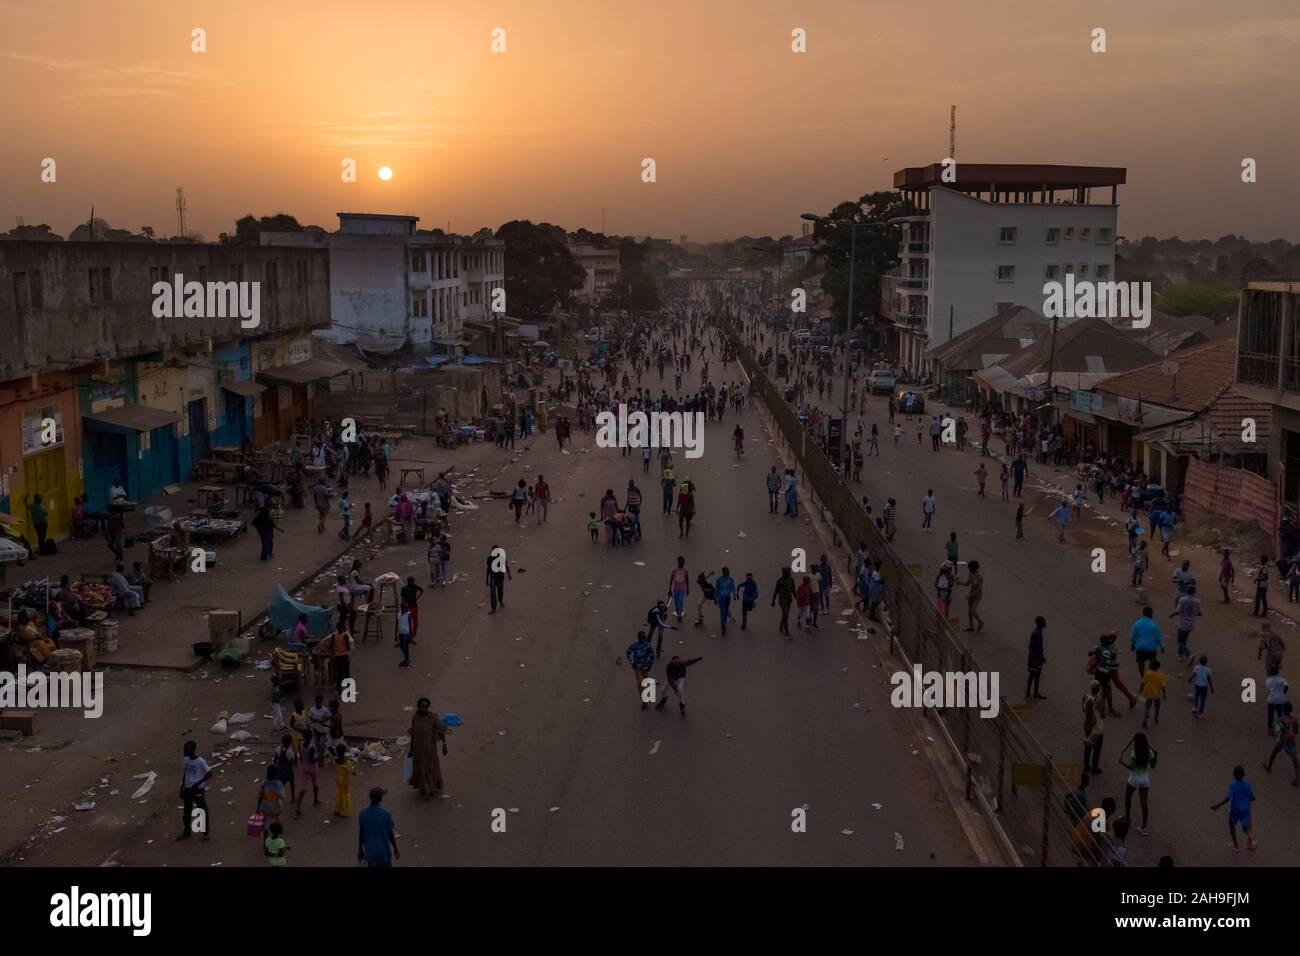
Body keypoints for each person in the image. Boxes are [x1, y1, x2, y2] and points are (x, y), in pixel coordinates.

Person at [408, 698, 449, 799]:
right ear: (419, 707)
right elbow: (413, 735)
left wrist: (444, 744)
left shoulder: (432, 718)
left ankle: (429, 789)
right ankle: (425, 790)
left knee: (429, 768)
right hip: (418, 750)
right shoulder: (415, 718)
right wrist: (411, 750)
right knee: (421, 770)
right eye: (422, 706)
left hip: (430, 750)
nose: (424, 709)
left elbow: (441, 730)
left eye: (426, 707)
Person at [1209, 766, 1256, 851]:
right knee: (1245, 826)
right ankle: (1252, 840)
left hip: (1236, 809)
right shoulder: (1247, 784)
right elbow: (1252, 798)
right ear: (1243, 775)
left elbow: (1228, 797)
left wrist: (1217, 806)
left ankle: (1236, 845)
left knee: (1231, 824)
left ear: (1234, 775)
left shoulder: (1233, 785)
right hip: (1246, 809)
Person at [1120, 732, 1157, 834]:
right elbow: (1153, 766)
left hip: (1134, 778)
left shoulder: (1134, 751)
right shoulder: (1149, 752)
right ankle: (1144, 827)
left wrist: (1121, 762)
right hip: (1145, 779)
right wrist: (1156, 756)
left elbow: (1132, 767)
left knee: (1128, 798)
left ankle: (1127, 820)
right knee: (1144, 803)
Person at [177, 740, 212, 841]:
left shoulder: (200, 761)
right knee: (187, 812)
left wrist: (197, 784)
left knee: (202, 810)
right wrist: (182, 787)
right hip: (188, 789)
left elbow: (209, 774)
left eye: (186, 749)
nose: (184, 751)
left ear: (192, 750)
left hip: (197, 790)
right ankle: (187, 832)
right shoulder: (186, 760)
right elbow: (186, 773)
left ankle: (205, 833)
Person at [358, 787, 400, 867]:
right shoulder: (386, 814)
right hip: (384, 852)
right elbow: (390, 834)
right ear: (381, 799)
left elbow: (361, 834)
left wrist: (360, 850)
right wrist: (395, 848)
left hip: (370, 852)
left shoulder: (362, 814)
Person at [1263, 701, 1300, 786]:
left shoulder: (1281, 719)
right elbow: (1296, 731)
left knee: (1274, 752)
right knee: (1295, 760)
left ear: (1283, 710)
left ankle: (1269, 767)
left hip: (1282, 740)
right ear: (1291, 710)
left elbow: (1277, 730)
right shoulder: (1294, 720)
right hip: (1291, 742)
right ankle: (1297, 779)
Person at [626, 631, 656, 710]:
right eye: (641, 637)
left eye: (644, 637)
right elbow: (628, 654)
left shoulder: (648, 646)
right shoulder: (634, 646)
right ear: (638, 638)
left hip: (645, 667)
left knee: (644, 681)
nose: (643, 639)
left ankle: (647, 692)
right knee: (640, 683)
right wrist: (633, 664)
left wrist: (649, 666)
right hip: (637, 667)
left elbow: (652, 656)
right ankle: (644, 701)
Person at [1130, 606, 1163, 676]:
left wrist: (1132, 645)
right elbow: (1158, 638)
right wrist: (1162, 647)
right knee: (1152, 661)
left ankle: (1142, 676)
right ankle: (1150, 674)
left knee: (1141, 662)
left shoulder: (1137, 624)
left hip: (1140, 647)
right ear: (1151, 614)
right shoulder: (1154, 625)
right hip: (1152, 648)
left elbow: (1133, 636)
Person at [1082, 681, 1105, 776]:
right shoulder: (1099, 700)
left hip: (1087, 725)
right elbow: (1103, 714)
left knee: (1088, 747)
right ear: (1098, 689)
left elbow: (1083, 709)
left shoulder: (1085, 697)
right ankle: (1094, 767)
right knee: (1097, 749)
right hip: (1097, 727)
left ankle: (1086, 765)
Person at [294, 734, 320, 816]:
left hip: (304, 766)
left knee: (304, 787)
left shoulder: (301, 744)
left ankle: (298, 806)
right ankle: (315, 800)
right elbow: (312, 760)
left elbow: (301, 757)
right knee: (315, 783)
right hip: (312, 767)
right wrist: (318, 757)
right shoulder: (311, 747)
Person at [256, 766, 286, 831]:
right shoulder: (279, 784)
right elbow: (282, 796)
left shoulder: (264, 783)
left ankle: (265, 839)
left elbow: (260, 796)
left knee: (266, 824)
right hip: (276, 808)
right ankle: (276, 836)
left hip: (266, 808)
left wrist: (258, 808)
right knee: (278, 822)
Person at [1140, 659, 1167, 729]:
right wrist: (1164, 694)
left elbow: (1143, 682)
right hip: (1157, 694)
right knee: (1157, 707)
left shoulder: (1147, 673)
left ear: (1151, 666)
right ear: (1158, 667)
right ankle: (1156, 718)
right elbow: (1163, 686)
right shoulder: (1161, 675)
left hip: (1149, 693)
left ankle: (1145, 719)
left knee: (1147, 707)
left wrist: (1141, 688)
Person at [1026, 616, 1047, 700]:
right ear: (1040, 623)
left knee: (1037, 676)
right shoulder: (1035, 633)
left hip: (1038, 659)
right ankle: (1027, 693)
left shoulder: (1039, 631)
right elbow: (1032, 648)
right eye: (1043, 622)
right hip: (1034, 659)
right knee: (1032, 675)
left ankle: (1035, 692)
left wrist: (1042, 657)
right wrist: (1036, 658)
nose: (1045, 623)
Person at [960, 560, 984, 632]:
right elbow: (967, 584)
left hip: (976, 596)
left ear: (975, 568)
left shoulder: (979, 577)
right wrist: (960, 583)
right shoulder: (970, 574)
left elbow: (979, 589)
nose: (969, 569)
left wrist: (970, 595)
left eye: (971, 568)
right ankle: (971, 627)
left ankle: (980, 622)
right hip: (971, 596)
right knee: (969, 613)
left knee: (973, 611)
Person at [486, 544, 511, 612]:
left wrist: (509, 574)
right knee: (493, 593)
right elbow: (488, 569)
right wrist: (487, 579)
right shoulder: (489, 558)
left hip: (500, 578)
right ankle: (493, 608)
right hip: (493, 578)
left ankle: (500, 600)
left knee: (500, 591)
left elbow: (506, 566)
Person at [772, 567, 796, 638]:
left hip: (789, 599)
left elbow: (793, 590)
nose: (789, 573)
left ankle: (781, 624)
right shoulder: (779, 581)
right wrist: (773, 600)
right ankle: (787, 631)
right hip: (782, 599)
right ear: (784, 573)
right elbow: (776, 591)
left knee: (786, 614)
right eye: (788, 572)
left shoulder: (791, 580)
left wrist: (797, 598)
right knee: (785, 614)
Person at [1265, 665, 1289, 736]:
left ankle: (1271, 729)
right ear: (1278, 672)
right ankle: (1279, 729)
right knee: (1280, 715)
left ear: (1271, 673)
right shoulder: (1281, 680)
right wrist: (1283, 692)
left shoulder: (1268, 680)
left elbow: (1268, 689)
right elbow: (1286, 686)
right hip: (1280, 700)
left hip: (1271, 699)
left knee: (1270, 715)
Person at [332, 744, 354, 817]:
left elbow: (333, 764)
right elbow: (350, 770)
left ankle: (338, 808)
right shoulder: (347, 762)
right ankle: (344, 811)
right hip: (344, 780)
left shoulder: (335, 760)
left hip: (338, 779)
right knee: (345, 794)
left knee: (340, 793)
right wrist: (354, 772)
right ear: (344, 752)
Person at [715, 567, 736, 635]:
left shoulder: (730, 579)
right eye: (727, 571)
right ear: (724, 572)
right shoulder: (719, 580)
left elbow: (733, 587)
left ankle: (724, 624)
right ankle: (723, 627)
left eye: (728, 571)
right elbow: (716, 589)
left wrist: (734, 595)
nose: (728, 572)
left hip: (727, 599)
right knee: (723, 613)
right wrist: (715, 598)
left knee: (726, 611)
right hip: (721, 599)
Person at [668, 556, 690, 620]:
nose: (683, 563)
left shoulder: (685, 570)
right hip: (675, 589)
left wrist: (688, 589)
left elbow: (687, 579)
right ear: (679, 562)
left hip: (682, 589)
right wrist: (669, 589)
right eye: (682, 562)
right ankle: (678, 611)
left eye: (684, 562)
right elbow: (671, 579)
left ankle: (679, 615)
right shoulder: (674, 570)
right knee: (676, 602)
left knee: (680, 602)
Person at [396, 602, 413, 668]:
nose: (407, 608)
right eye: (406, 607)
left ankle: (406, 662)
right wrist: (395, 633)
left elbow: (410, 625)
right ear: (402, 608)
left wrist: (410, 635)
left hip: (406, 633)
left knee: (405, 647)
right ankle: (407, 659)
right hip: (400, 633)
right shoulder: (398, 614)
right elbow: (397, 624)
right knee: (402, 647)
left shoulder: (409, 615)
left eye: (407, 607)